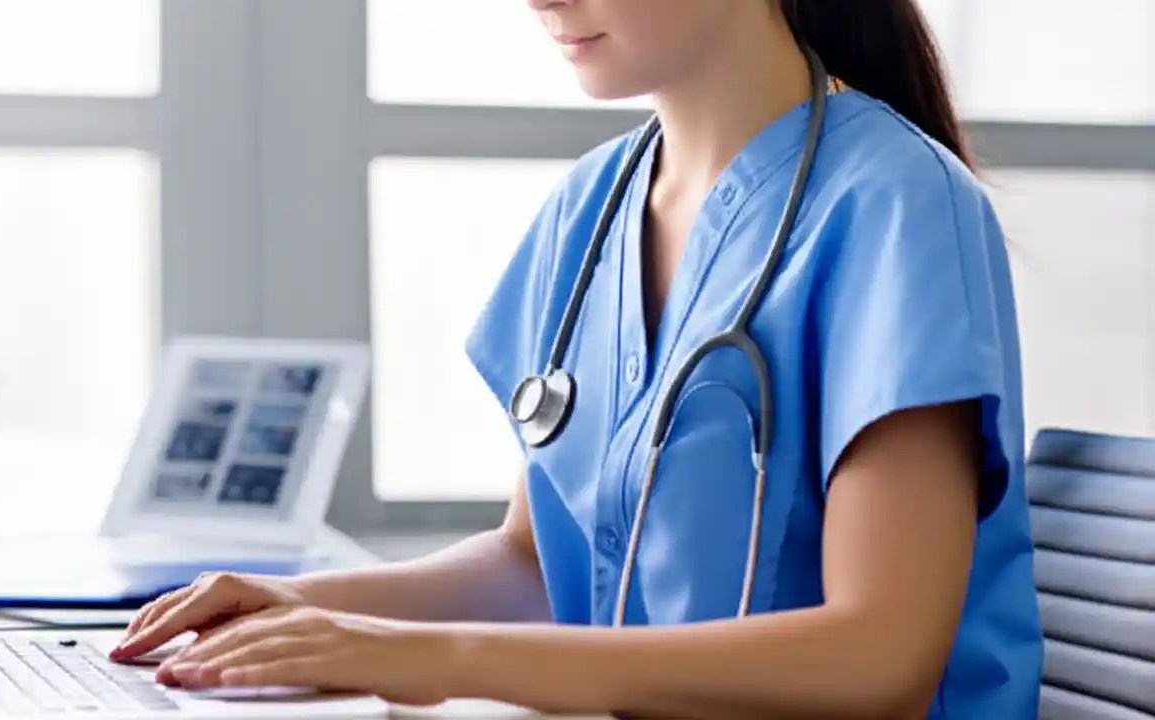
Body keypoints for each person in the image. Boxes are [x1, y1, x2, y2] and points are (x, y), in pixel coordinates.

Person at [111, 1, 1044, 716]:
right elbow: (535, 569)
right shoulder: (592, 208)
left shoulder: (898, 206)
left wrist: (432, 659)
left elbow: (879, 659)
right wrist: (296, 606)